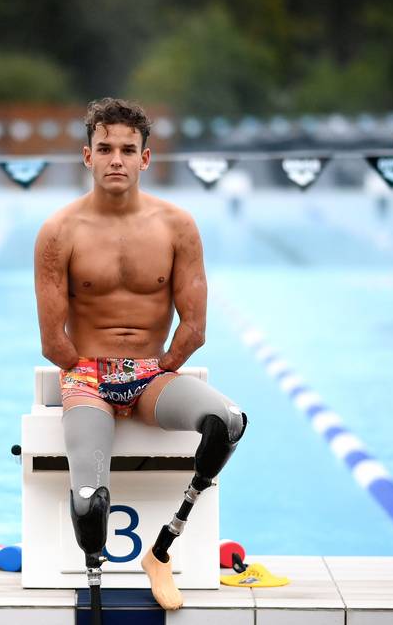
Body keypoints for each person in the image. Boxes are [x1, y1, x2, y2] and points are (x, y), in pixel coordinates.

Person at [33, 98, 248, 614]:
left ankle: (162, 549)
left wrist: (153, 372)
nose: (116, 160)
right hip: (86, 377)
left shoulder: (177, 226)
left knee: (228, 423)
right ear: (87, 156)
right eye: (105, 149)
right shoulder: (58, 232)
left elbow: (194, 326)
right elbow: (52, 339)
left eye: (128, 150)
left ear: (145, 159)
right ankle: (96, 593)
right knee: (89, 502)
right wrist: (89, 373)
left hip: (151, 375)